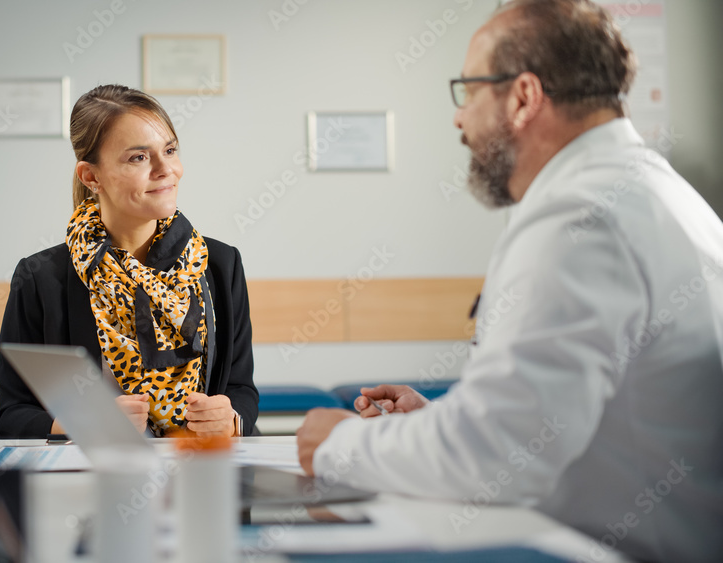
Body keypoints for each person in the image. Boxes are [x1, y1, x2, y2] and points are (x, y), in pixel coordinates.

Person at [296, 1, 723, 561]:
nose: (458, 118)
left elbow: (499, 456)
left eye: (468, 90)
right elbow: (556, 422)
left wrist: (341, 444)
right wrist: (442, 423)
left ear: (522, 97)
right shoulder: (648, 190)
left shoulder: (579, 216)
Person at [0, 84, 257, 439]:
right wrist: (85, 424)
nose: (167, 170)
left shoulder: (221, 265)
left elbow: (241, 389)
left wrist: (232, 419)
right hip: (96, 482)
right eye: (139, 157)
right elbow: (12, 415)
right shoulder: (42, 278)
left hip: (201, 473)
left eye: (170, 150)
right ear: (91, 176)